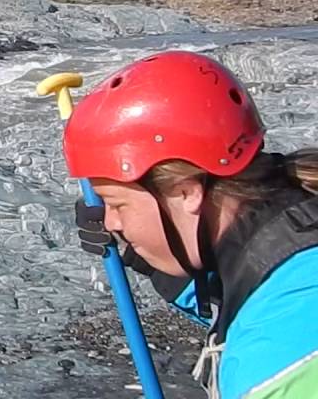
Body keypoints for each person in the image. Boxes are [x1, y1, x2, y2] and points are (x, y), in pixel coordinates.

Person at [63, 50, 318, 399]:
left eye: (117, 204)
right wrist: (136, 250)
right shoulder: (293, 216)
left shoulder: (273, 364)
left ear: (187, 193)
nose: (109, 221)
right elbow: (234, 294)